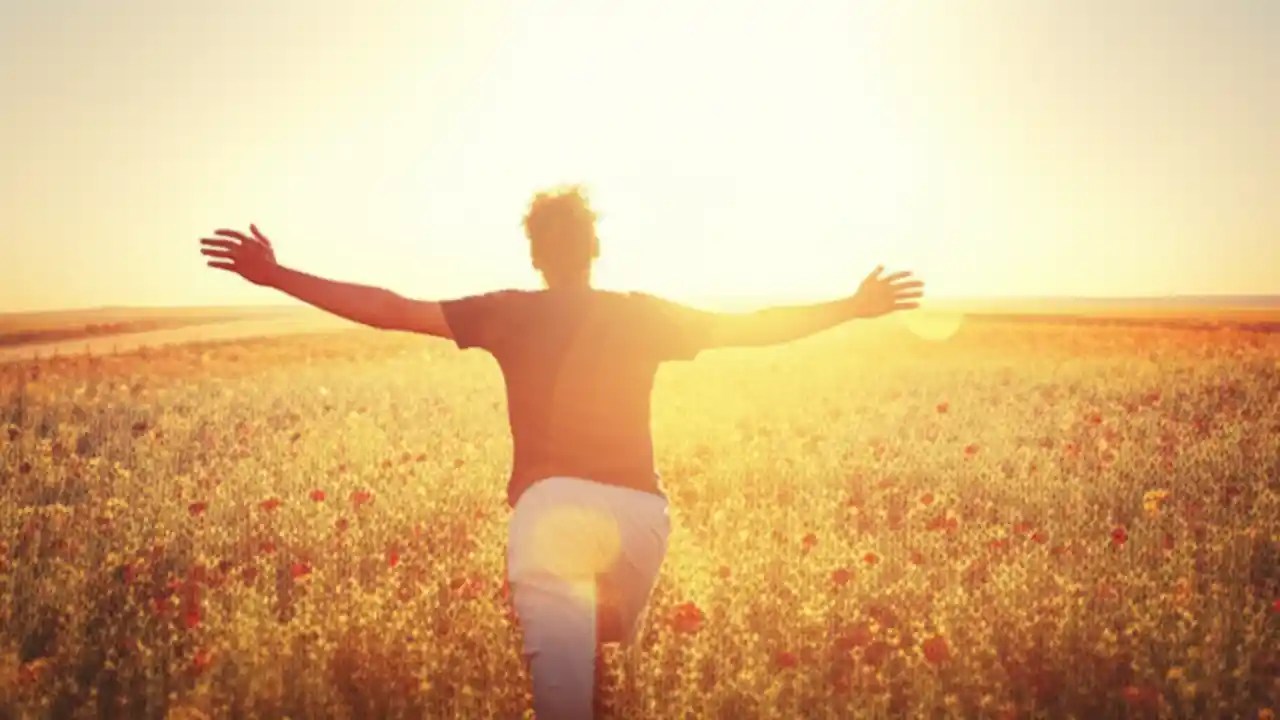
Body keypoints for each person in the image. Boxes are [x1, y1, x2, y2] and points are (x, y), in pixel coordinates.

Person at [199, 185, 923, 719]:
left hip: (550, 517)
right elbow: (755, 328)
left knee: (565, 700)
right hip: (640, 520)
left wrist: (277, 273)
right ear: (594, 251)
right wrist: (849, 307)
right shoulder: (642, 315)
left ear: (538, 256)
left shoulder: (509, 312)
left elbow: (388, 309)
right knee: (603, 656)